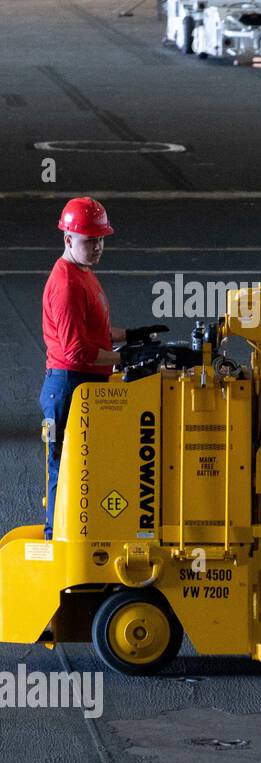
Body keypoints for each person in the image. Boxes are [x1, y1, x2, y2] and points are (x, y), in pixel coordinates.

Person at [41, 197, 127, 540]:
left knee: (84, 467)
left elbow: (95, 333)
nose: (97, 247)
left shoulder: (83, 274)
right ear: (68, 239)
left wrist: (132, 337)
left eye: (101, 239)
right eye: (89, 240)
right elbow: (77, 351)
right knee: (65, 468)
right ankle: (56, 539)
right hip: (68, 385)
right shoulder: (66, 284)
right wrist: (126, 358)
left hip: (82, 384)